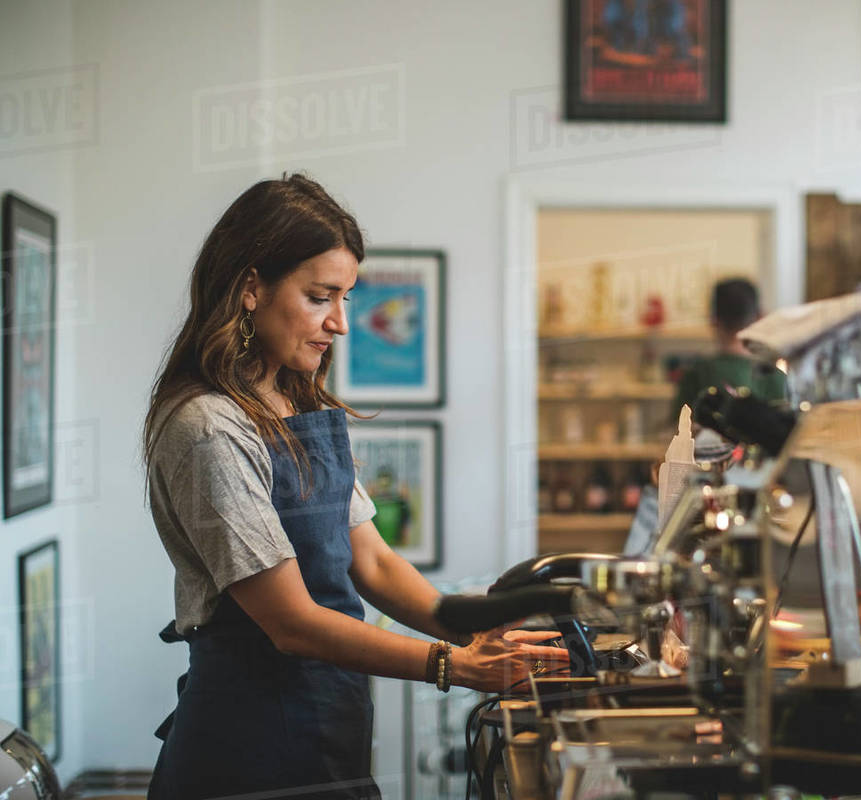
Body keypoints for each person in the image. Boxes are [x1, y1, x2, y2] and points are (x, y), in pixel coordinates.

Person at [142, 175, 569, 800]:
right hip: (249, 741)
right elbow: (291, 622)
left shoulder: (293, 403)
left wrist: (470, 632)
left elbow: (370, 559)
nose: (341, 322)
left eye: (345, 297)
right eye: (321, 297)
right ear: (250, 288)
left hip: (327, 721)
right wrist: (456, 667)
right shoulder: (207, 428)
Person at [671, 277, 787, 421]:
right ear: (759, 317)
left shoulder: (696, 375)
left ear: (714, 320)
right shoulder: (777, 379)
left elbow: (677, 431)